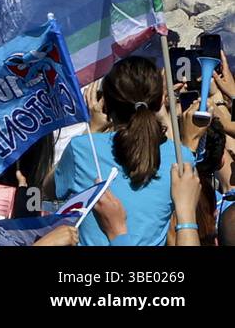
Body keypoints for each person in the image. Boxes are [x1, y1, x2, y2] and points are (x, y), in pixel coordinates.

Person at [55, 56, 196, 246]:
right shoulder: (182, 159)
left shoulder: (82, 148)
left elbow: (50, 189)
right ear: (161, 99)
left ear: (106, 103)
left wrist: (92, 129)